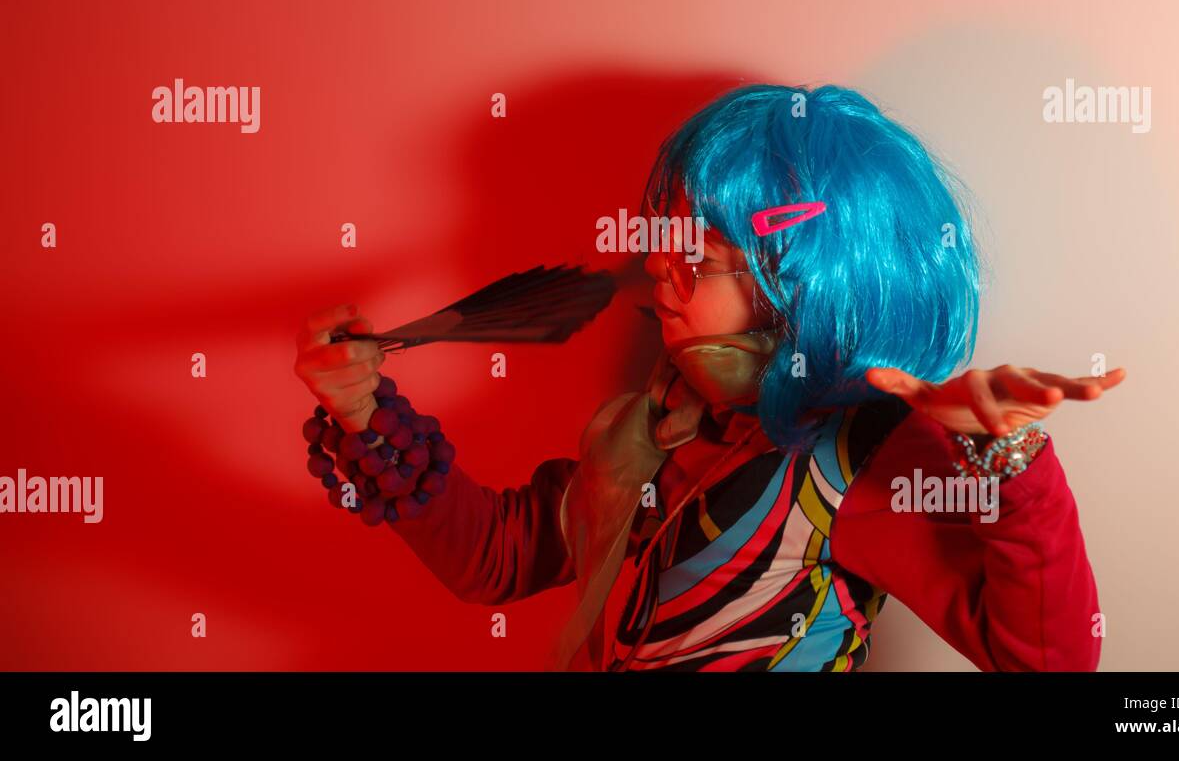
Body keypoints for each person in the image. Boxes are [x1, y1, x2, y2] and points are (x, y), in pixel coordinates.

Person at [293, 84, 1124, 671]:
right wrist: (366, 414)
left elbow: (1050, 662)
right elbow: (495, 559)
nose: (660, 269)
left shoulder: (857, 458)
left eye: (700, 259)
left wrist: (1007, 462)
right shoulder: (662, 425)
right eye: (667, 241)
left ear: (799, 283)